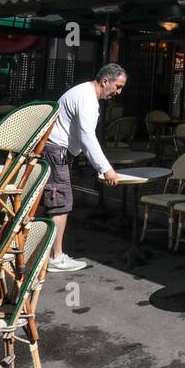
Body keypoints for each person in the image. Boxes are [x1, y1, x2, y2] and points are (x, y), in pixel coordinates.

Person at [42, 63, 127, 272]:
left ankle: (46, 251)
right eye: (118, 86)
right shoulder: (87, 98)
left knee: (56, 201)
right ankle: (56, 257)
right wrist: (105, 168)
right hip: (56, 153)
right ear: (105, 81)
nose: (119, 92)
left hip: (57, 153)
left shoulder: (83, 93)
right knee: (60, 204)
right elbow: (87, 136)